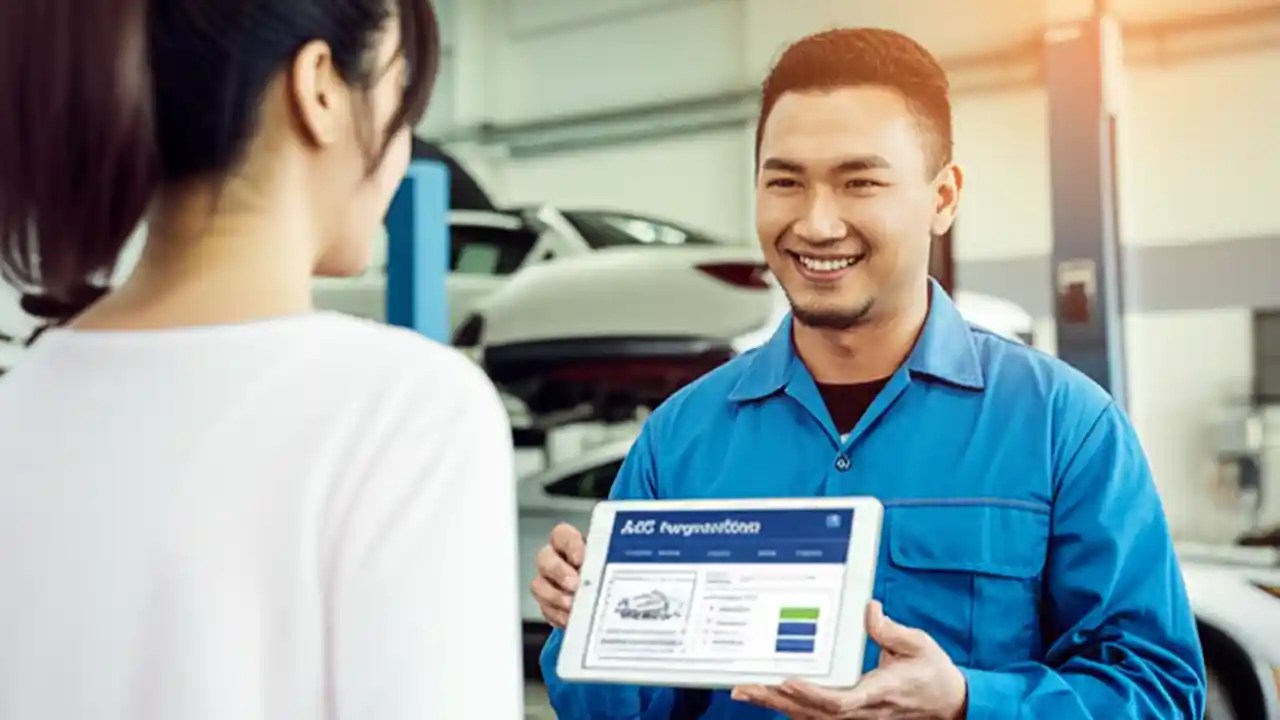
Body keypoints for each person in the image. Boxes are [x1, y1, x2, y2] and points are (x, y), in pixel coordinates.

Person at [531, 27, 1206, 719]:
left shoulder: (1064, 425)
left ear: (943, 197)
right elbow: (613, 710)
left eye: (861, 182)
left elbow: (1158, 691)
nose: (817, 223)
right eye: (786, 182)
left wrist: (969, 701)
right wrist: (584, 625)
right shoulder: (681, 439)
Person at [0, 1, 523, 718]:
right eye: (401, 93)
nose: (404, 147)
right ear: (319, 89)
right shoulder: (409, 412)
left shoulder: (24, 396)